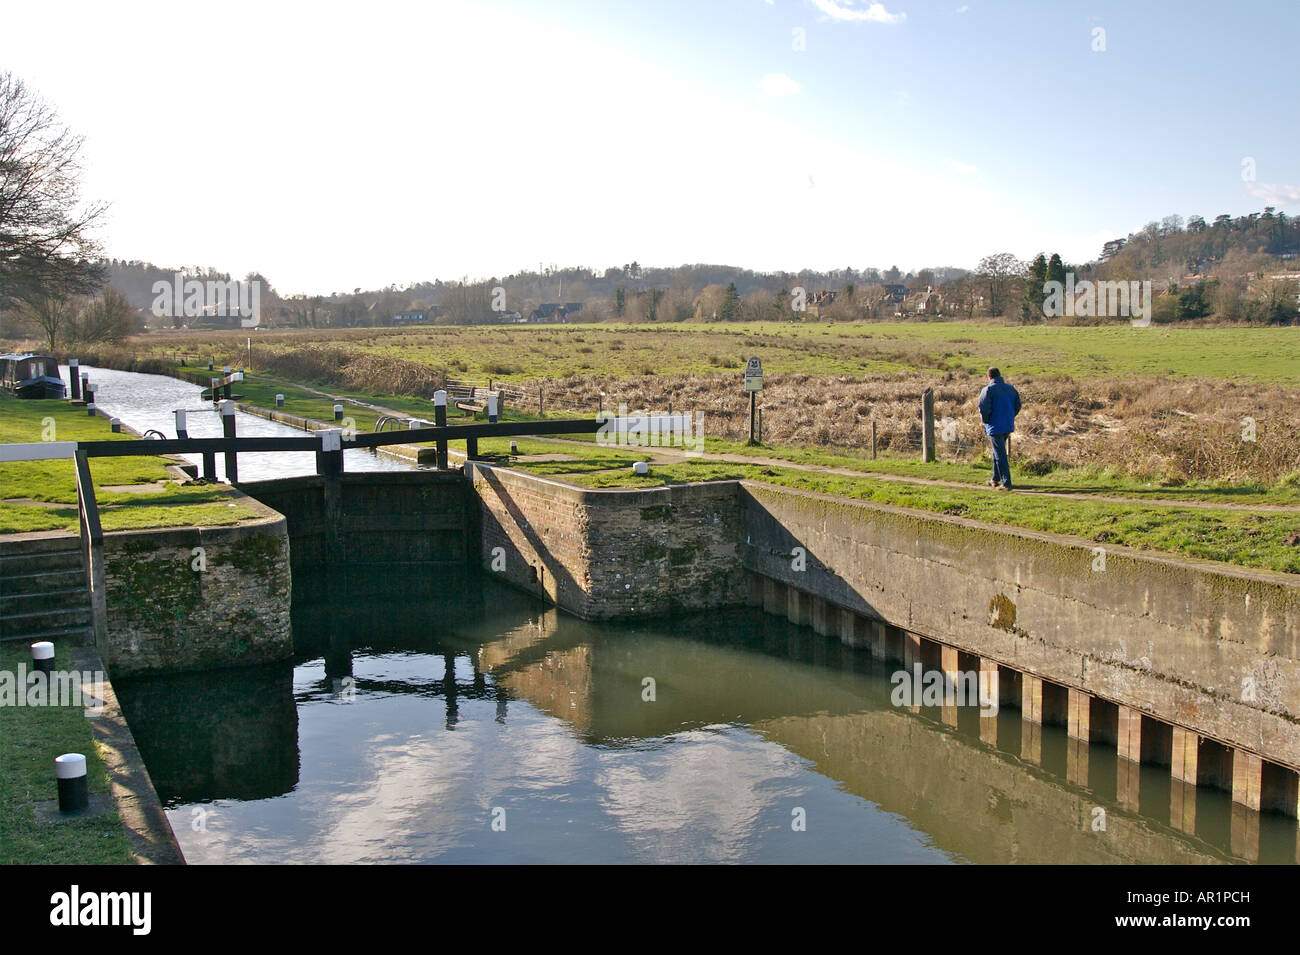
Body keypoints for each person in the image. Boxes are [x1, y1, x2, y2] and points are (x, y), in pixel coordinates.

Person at [978, 367, 1021, 490]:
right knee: (997, 452)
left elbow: (983, 408)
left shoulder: (988, 390)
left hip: (995, 426)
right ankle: (994, 478)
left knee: (1000, 454)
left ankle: (1006, 483)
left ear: (989, 377)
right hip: (1007, 425)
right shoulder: (1011, 389)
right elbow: (1018, 405)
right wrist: (1010, 416)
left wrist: (986, 421)